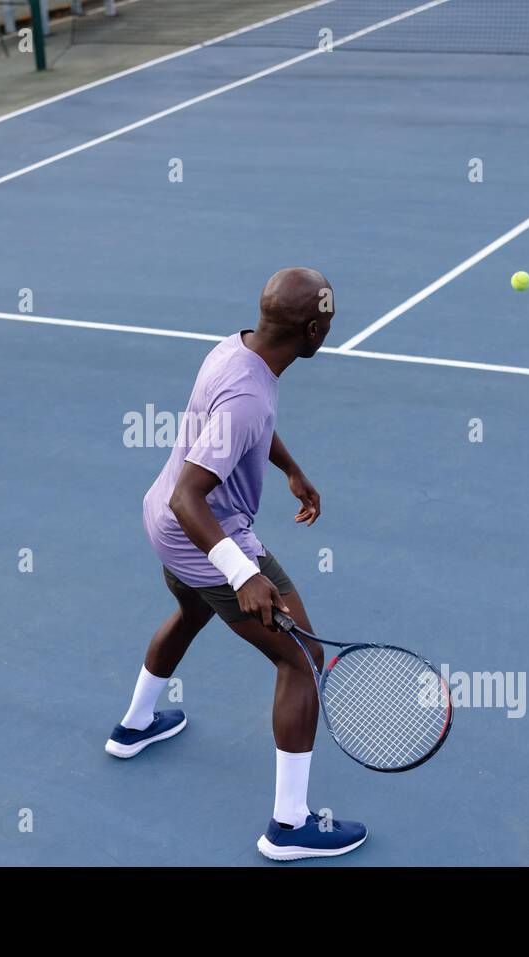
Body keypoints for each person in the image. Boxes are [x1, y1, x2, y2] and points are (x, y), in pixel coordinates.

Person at [108, 267, 367, 861]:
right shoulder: (250, 396)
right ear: (311, 330)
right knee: (303, 658)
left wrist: (290, 468)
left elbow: (240, 429)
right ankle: (289, 825)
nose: (328, 328)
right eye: (327, 320)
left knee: (192, 610)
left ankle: (135, 725)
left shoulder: (237, 348)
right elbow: (190, 495)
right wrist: (242, 572)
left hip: (165, 524)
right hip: (199, 530)